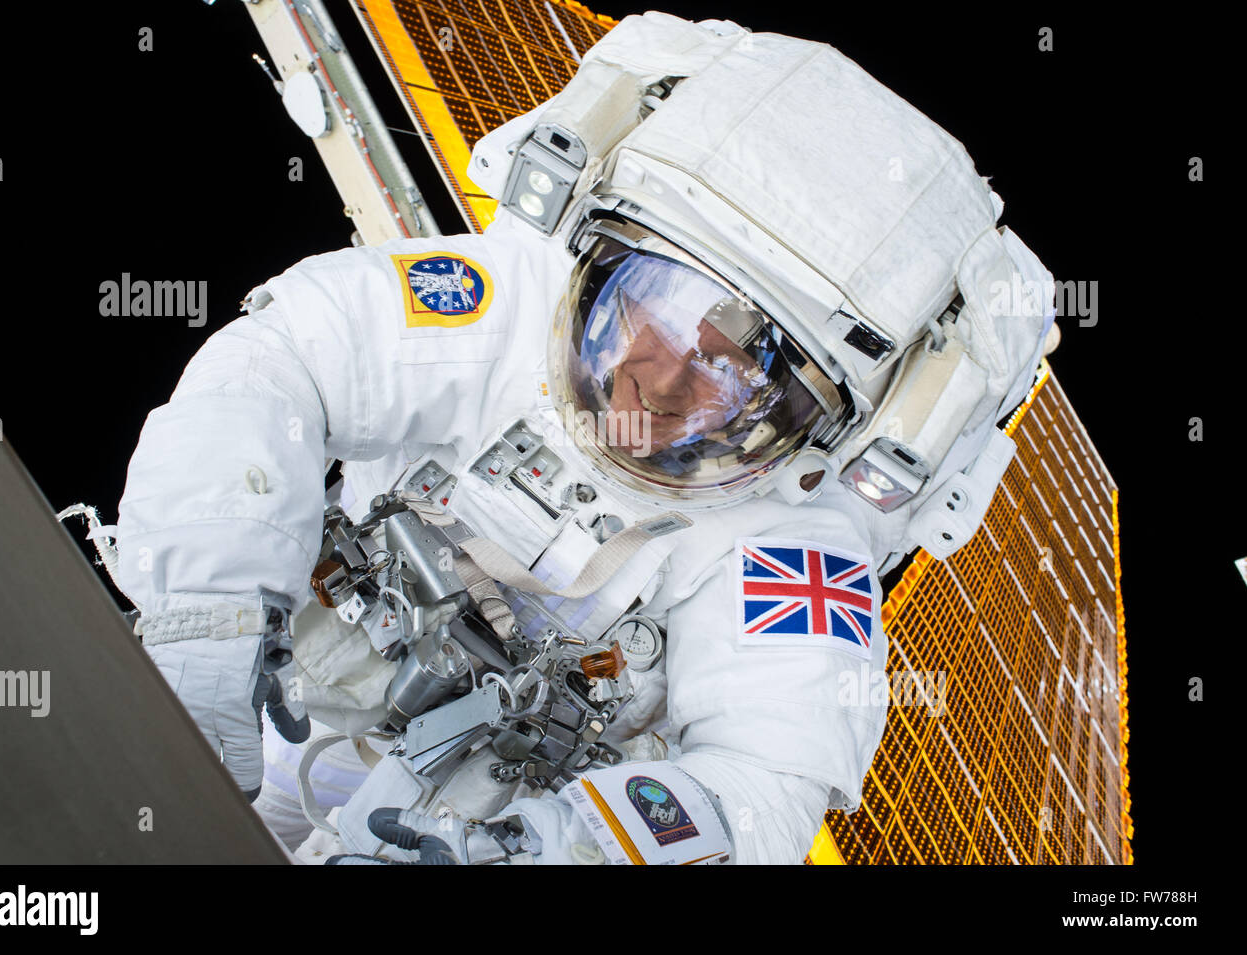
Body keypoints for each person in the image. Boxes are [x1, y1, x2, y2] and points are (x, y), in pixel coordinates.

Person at [112, 12, 1054, 863]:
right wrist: (209, 614)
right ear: (594, 263)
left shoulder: (795, 545)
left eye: (734, 371)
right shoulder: (507, 306)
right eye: (651, 307)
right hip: (275, 691)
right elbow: (277, 364)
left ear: (818, 430)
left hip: (474, 827)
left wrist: (562, 845)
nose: (661, 379)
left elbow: (769, 779)